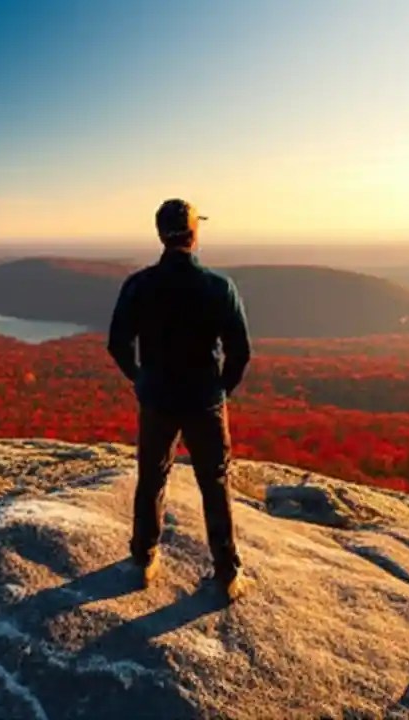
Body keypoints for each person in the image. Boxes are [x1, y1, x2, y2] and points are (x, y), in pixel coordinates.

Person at [107, 198, 252, 602]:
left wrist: (140, 378)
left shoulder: (139, 285)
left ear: (160, 235)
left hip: (158, 399)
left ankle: (144, 559)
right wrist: (221, 389)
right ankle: (226, 573)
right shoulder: (219, 287)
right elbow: (240, 351)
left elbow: (117, 342)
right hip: (204, 399)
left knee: (151, 478)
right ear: (194, 233)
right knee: (215, 482)